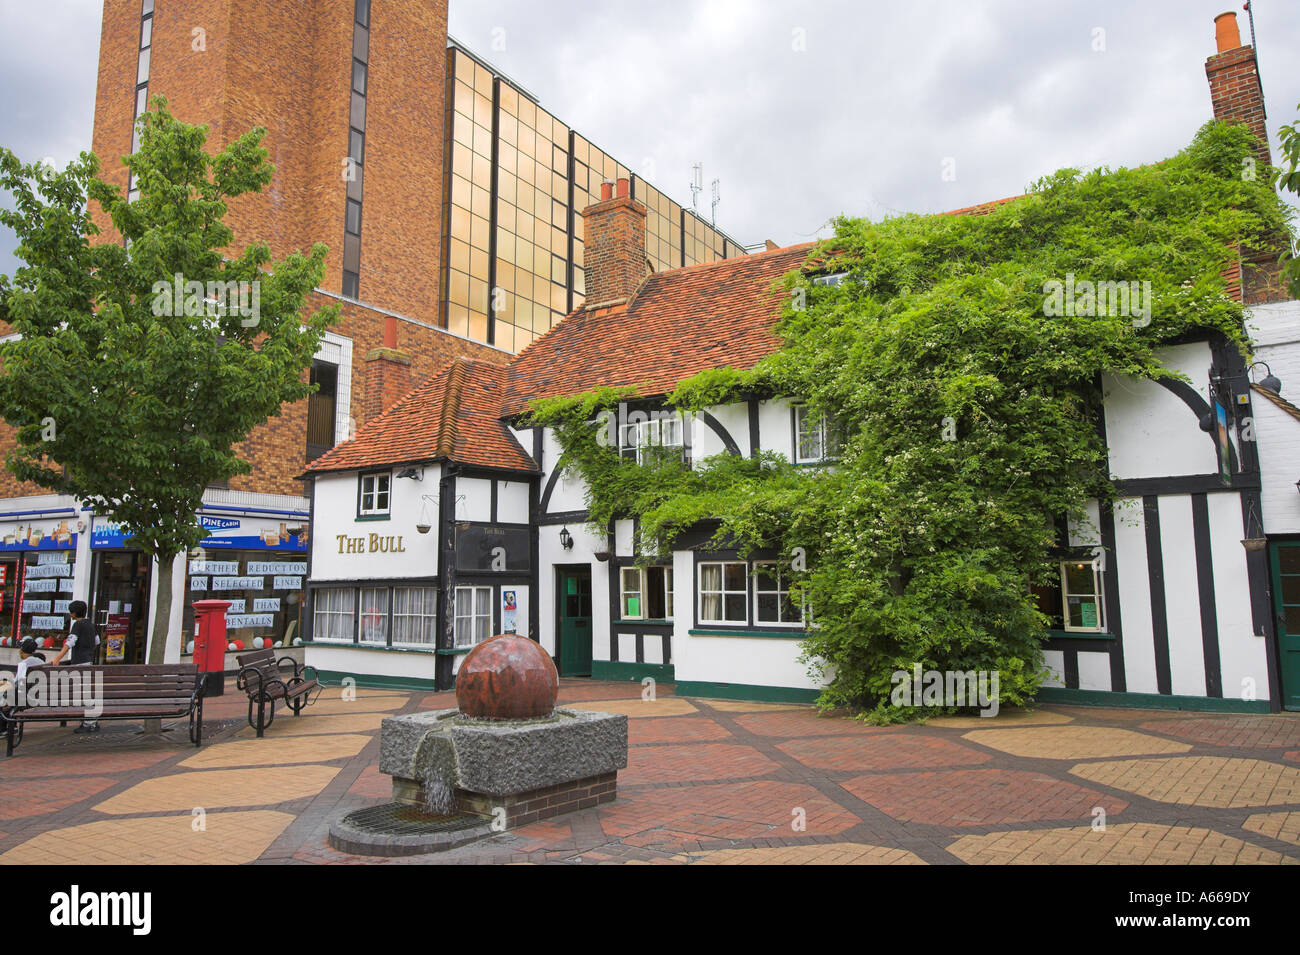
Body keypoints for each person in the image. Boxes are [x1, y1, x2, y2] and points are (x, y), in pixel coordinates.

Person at [50, 600, 99, 732]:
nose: (70, 615)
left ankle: (89, 723)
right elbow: (97, 641)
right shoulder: (91, 624)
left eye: (70, 612)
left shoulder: (77, 625)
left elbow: (71, 642)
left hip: (80, 661)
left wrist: (58, 658)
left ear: (73, 613)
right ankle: (92, 720)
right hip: (89, 660)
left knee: (84, 693)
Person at [0, 636, 46, 716]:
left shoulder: (24, 664)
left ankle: (4, 725)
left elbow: (19, 683)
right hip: (39, 694)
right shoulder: (41, 661)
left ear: (21, 651)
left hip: (25, 697)